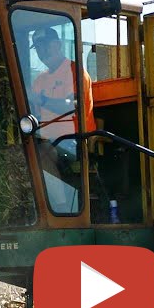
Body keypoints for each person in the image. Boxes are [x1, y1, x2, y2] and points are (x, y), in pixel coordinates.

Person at [28, 27, 96, 213]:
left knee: (38, 154)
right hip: (47, 140)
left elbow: (71, 105)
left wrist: (41, 100)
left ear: (57, 44)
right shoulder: (39, 80)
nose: (41, 51)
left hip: (75, 140)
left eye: (44, 45)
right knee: (21, 152)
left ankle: (61, 210)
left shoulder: (75, 71)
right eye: (38, 47)